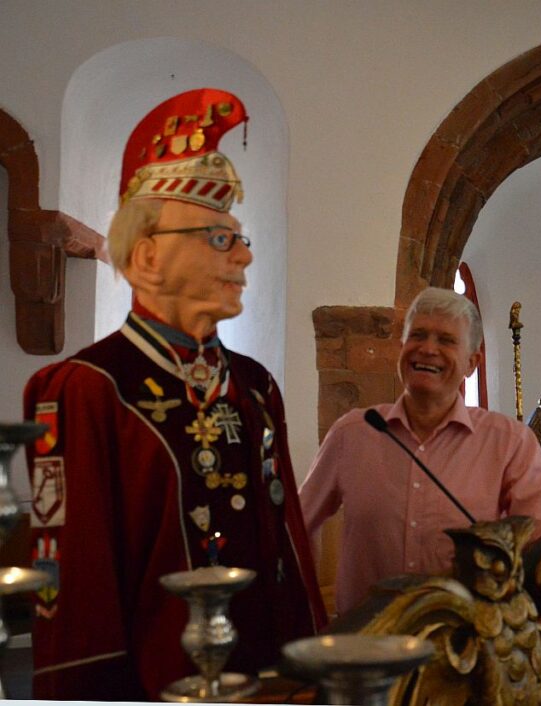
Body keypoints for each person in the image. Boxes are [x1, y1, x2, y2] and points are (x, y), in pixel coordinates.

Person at [23, 88, 325, 700]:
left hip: (267, 681)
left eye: (242, 239)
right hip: (157, 688)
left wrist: (309, 669)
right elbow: (76, 590)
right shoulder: (87, 389)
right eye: (219, 238)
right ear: (149, 256)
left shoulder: (255, 383)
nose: (243, 256)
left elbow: (286, 535)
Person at [300, 287, 541, 622]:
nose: (428, 349)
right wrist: (302, 610)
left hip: (465, 647)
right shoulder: (353, 433)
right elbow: (296, 525)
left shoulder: (508, 441)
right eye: (418, 335)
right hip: (366, 642)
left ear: (473, 362)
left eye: (445, 340)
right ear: (401, 349)